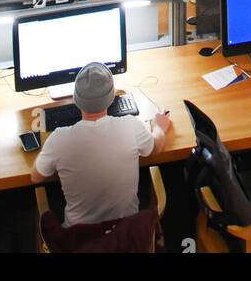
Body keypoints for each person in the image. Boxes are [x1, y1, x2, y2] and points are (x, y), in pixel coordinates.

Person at [30, 62, 171, 229]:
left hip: (80, 241)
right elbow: (156, 147)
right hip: (127, 236)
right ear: (112, 97)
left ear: (75, 98)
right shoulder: (130, 126)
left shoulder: (59, 139)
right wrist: (158, 127)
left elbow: (36, 177)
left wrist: (49, 149)